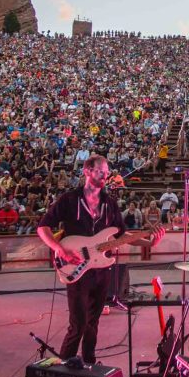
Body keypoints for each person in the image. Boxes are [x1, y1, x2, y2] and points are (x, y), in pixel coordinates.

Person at [37, 155, 164, 364]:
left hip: (101, 271)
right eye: (100, 171)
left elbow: (121, 236)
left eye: (107, 172)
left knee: (93, 323)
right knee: (78, 324)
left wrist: (150, 244)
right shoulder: (69, 200)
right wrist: (59, 249)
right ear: (87, 171)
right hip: (76, 268)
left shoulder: (110, 204)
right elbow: (43, 227)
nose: (105, 176)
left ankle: (89, 364)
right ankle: (63, 368)